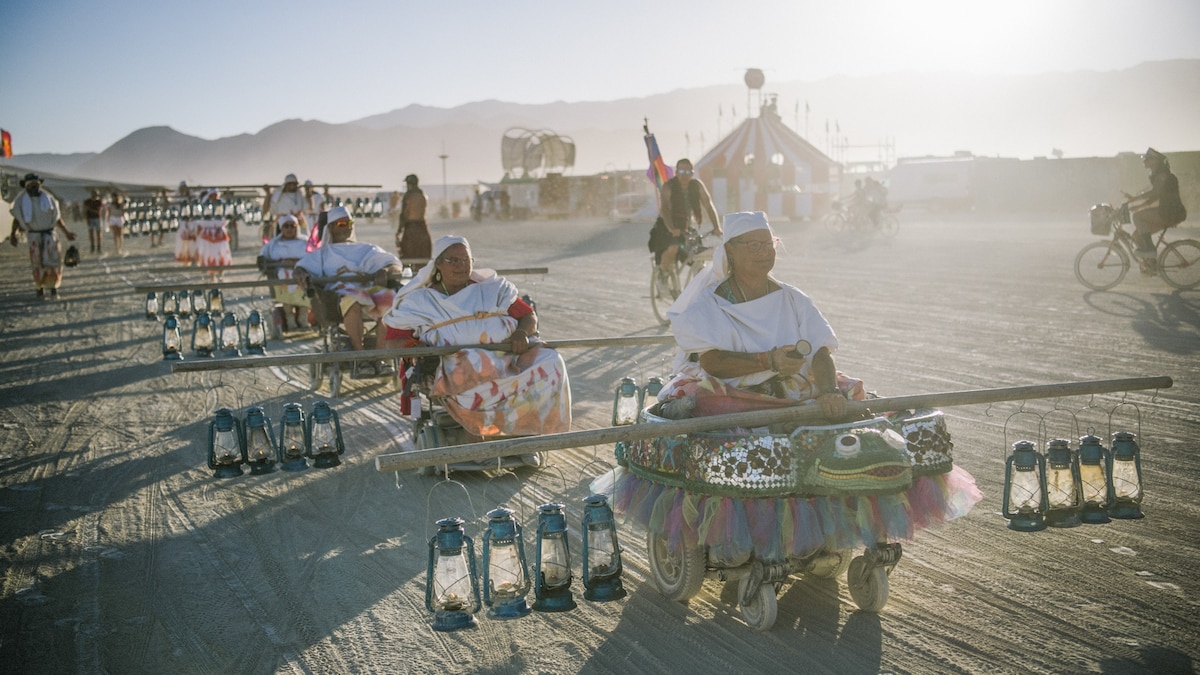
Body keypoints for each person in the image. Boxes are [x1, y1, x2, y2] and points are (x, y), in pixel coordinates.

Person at [659, 211, 864, 420]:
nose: (764, 253)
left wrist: (830, 392)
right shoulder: (709, 304)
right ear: (730, 249)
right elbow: (712, 362)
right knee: (706, 401)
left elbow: (821, 350)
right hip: (739, 399)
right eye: (754, 246)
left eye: (768, 245)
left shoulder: (793, 299)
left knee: (850, 392)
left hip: (797, 390)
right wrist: (769, 361)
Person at [383, 235, 571, 443]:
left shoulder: (493, 290)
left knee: (551, 360)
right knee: (475, 365)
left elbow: (527, 316)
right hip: (452, 364)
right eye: (453, 260)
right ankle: (475, 432)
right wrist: (420, 349)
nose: (462, 266)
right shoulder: (419, 300)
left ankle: (528, 429)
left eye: (467, 260)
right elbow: (394, 341)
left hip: (508, 354)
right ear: (437, 264)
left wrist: (521, 333)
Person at [293, 205, 403, 373]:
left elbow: (392, 263)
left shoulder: (366, 249)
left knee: (391, 302)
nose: (347, 227)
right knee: (352, 301)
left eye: (349, 223)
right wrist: (300, 274)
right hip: (338, 297)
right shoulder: (322, 254)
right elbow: (301, 268)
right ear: (330, 228)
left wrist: (385, 271)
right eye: (341, 224)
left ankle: (381, 358)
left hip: (368, 293)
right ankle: (360, 359)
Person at [8, 173, 77, 300]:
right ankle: (39, 289)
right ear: (27, 186)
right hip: (34, 236)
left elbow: (57, 218)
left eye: (36, 185)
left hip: (50, 235)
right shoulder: (21, 201)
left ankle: (53, 289)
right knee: (37, 263)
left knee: (53, 262)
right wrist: (13, 234)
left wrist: (66, 232)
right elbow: (17, 219)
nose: (34, 187)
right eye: (31, 185)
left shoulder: (48, 199)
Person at [650, 158, 722, 279]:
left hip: (686, 227)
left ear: (692, 173)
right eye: (682, 172)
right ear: (676, 172)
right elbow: (665, 210)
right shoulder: (669, 187)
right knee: (673, 248)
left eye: (688, 172)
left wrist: (716, 227)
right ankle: (662, 275)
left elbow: (709, 206)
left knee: (699, 255)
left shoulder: (697, 186)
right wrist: (672, 228)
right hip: (666, 225)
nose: (684, 176)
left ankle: (700, 283)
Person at [1125, 147, 1187, 267]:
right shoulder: (1158, 175)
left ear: (1154, 160)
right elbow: (1156, 197)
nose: (1144, 162)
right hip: (1168, 211)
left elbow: (1155, 192)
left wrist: (1135, 199)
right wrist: (1139, 206)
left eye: (1147, 159)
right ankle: (1151, 265)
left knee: (1137, 217)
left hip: (1171, 212)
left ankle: (1150, 249)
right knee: (1137, 236)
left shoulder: (1163, 175)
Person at [259, 214, 310, 331]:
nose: (289, 229)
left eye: (292, 226)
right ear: (281, 228)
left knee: (304, 290)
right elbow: (263, 255)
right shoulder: (273, 244)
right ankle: (289, 319)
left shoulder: (305, 242)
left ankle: (303, 318)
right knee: (284, 287)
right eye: (286, 226)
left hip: (302, 274)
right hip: (282, 275)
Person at [395, 174, 431, 262]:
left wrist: (399, 230)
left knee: (409, 257)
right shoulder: (423, 196)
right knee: (424, 256)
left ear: (409, 184)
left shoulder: (408, 196)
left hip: (411, 229)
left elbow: (403, 215)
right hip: (423, 228)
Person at [263, 173, 307, 243]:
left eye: (294, 184)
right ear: (287, 184)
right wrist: (268, 194)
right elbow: (268, 209)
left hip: (296, 222)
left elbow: (306, 208)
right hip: (282, 222)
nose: (292, 186)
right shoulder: (278, 195)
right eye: (290, 184)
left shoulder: (299, 194)